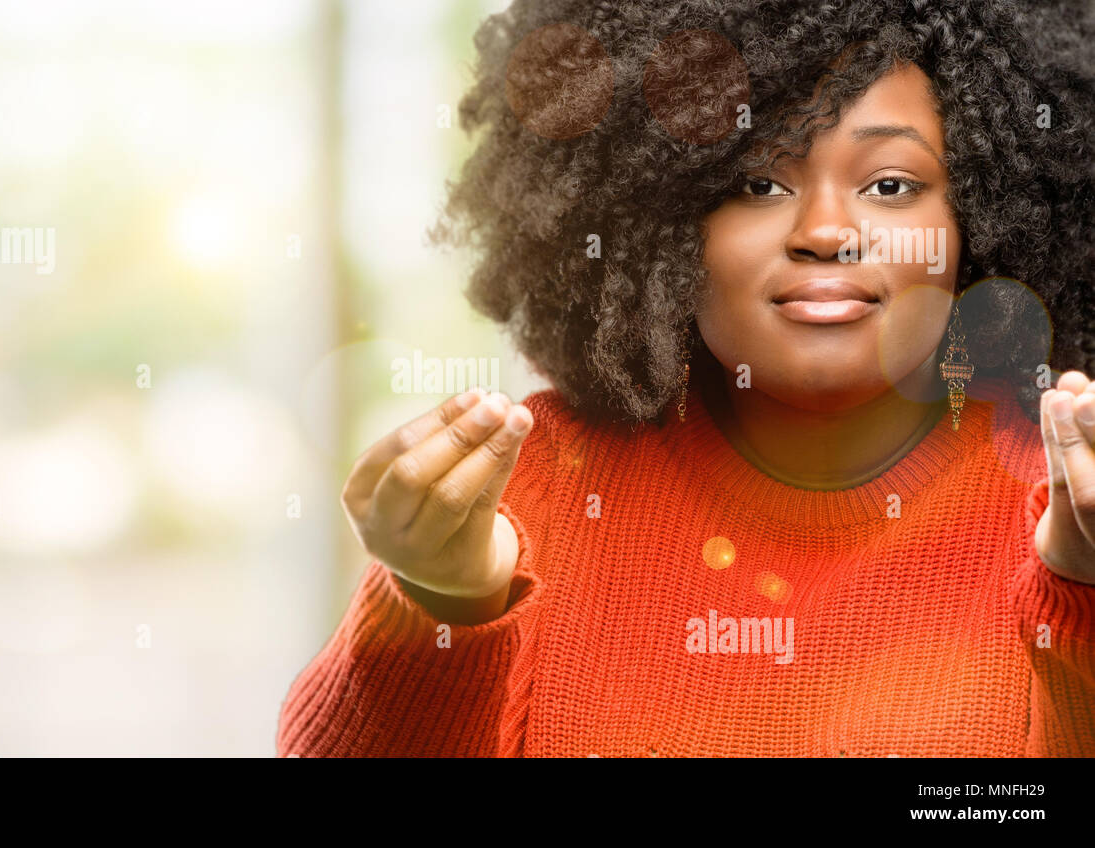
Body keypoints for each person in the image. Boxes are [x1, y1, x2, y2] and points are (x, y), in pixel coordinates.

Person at [278, 0, 1095, 756]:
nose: (823, 232)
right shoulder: (530, 492)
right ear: (658, 218)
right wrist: (442, 603)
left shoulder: (1066, 493)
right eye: (757, 184)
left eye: (890, 185)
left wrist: (1081, 591)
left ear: (982, 217)